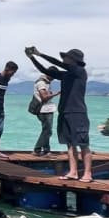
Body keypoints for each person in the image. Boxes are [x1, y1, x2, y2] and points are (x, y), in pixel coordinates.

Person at [25, 47, 92, 182]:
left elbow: (58, 63)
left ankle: (88, 174)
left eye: (66, 57)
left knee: (83, 143)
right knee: (69, 144)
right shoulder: (66, 75)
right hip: (64, 112)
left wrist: (40, 53)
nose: (63, 59)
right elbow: (45, 71)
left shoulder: (80, 72)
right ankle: (73, 172)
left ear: (74, 60)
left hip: (77, 112)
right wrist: (31, 58)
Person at [32, 73, 60, 155]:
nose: (54, 79)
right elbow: (44, 97)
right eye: (54, 77)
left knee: (46, 130)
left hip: (46, 109)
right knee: (47, 131)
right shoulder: (41, 83)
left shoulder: (46, 82)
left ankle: (46, 150)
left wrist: (50, 93)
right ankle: (37, 149)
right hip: (44, 109)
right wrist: (57, 93)